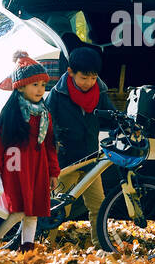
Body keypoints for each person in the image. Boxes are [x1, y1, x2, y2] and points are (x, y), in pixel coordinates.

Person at [0, 51, 60, 251]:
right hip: (16, 167)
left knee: (33, 210)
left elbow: (49, 145)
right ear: (20, 86)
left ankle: (27, 248)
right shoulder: (12, 114)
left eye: (43, 85)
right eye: (34, 84)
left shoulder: (45, 115)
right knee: (18, 209)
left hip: (38, 168)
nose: (40, 90)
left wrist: (54, 172)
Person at [45, 46, 117, 241]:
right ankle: (46, 243)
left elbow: (110, 116)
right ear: (70, 73)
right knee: (59, 207)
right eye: (84, 78)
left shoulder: (99, 92)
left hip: (91, 159)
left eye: (93, 78)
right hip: (65, 161)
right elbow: (46, 125)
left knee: (98, 205)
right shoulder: (57, 94)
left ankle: (100, 245)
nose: (89, 83)